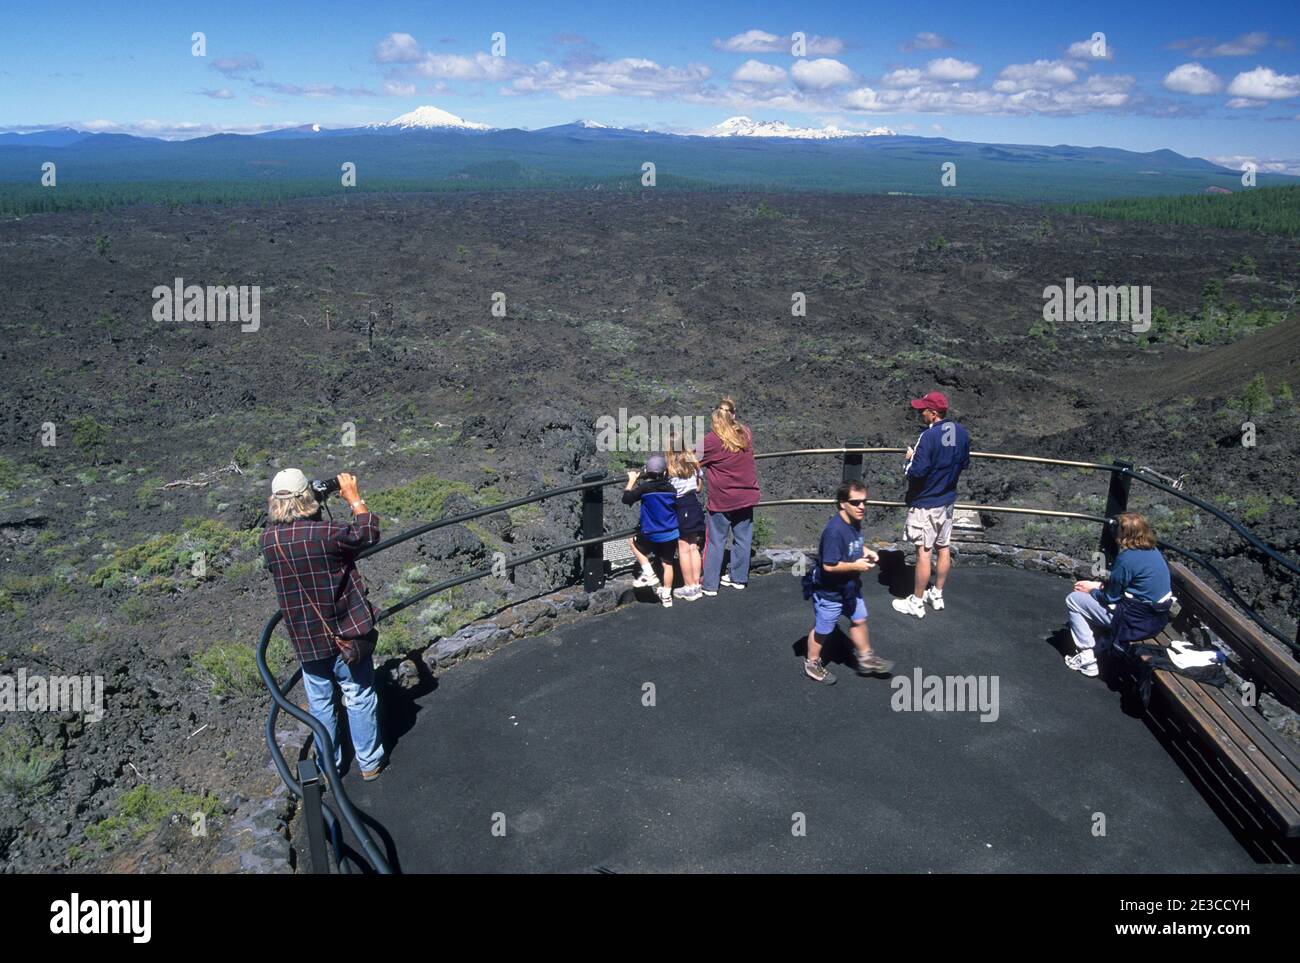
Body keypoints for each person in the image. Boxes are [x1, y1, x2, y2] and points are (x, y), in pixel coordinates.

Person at [260, 470, 385, 780]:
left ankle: (330, 767)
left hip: (307, 639)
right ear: (308, 497)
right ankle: (369, 762)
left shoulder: (268, 540)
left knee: (320, 704)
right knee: (359, 696)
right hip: (346, 631)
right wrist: (354, 499)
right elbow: (368, 533)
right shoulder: (327, 533)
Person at [802, 480, 894, 684]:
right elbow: (828, 566)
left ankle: (866, 657)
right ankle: (812, 662)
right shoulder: (834, 531)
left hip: (850, 587)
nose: (862, 506)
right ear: (842, 503)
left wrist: (866, 551)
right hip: (830, 591)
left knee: (859, 619)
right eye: (856, 502)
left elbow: (855, 544)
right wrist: (856, 566)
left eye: (864, 501)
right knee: (823, 630)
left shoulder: (854, 521)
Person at [1064, 512, 1173, 678]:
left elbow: (1110, 598)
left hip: (1134, 623)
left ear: (1123, 534)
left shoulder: (1127, 558)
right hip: (1155, 620)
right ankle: (1098, 647)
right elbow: (1131, 587)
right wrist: (1097, 586)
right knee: (1087, 595)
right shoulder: (1154, 552)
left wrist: (1091, 591)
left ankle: (1087, 658)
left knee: (1074, 600)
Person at [892, 390, 971, 619]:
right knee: (943, 547)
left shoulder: (928, 437)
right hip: (947, 500)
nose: (920, 414)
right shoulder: (961, 432)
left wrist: (908, 460)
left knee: (924, 552)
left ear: (933, 413)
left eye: (922, 410)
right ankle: (936, 593)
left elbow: (917, 471)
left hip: (927, 502)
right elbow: (964, 462)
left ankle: (916, 602)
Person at [700, 396, 761, 596]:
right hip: (746, 495)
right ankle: (739, 578)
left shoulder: (710, 440)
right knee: (743, 538)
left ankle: (710, 584)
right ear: (733, 415)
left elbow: (690, 459)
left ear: (715, 415)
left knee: (716, 541)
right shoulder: (746, 433)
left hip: (722, 499)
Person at [622, 454, 680, 607]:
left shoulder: (645, 488)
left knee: (632, 542)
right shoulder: (672, 489)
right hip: (671, 532)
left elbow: (626, 499)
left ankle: (648, 572)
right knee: (668, 563)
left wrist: (631, 481)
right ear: (665, 472)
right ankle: (667, 597)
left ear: (647, 472)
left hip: (652, 533)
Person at [667, 438, 706, 601]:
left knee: (683, 548)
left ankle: (689, 587)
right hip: (694, 505)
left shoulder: (669, 468)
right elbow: (698, 488)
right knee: (693, 547)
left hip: (680, 507)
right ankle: (696, 584)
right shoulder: (693, 463)